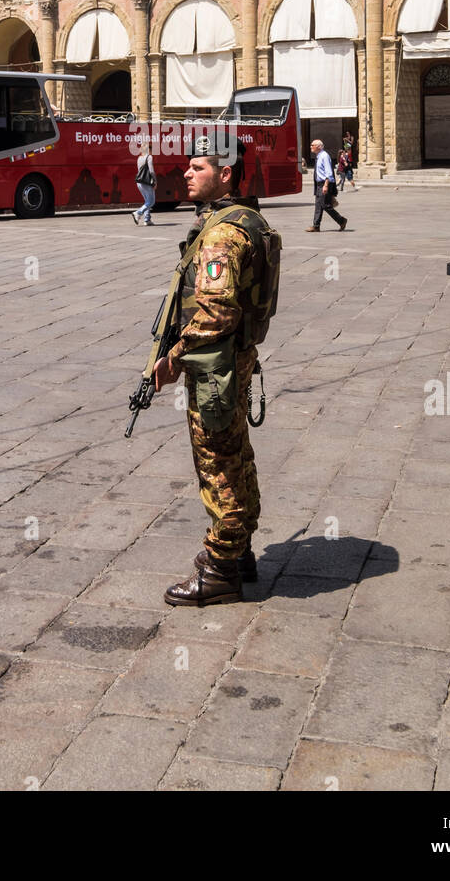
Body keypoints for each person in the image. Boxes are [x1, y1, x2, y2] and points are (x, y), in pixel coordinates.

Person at [152, 137, 280, 607]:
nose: (187, 173)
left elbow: (216, 313)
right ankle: (241, 549)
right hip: (237, 358)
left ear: (226, 175)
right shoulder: (249, 220)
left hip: (215, 366)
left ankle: (220, 568)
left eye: (198, 167)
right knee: (236, 449)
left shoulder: (224, 234)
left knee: (216, 460)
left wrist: (175, 356)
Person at [305, 138, 347, 232]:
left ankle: (341, 220)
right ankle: (316, 226)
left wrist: (326, 185)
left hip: (324, 183)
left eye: (313, 145)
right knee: (318, 205)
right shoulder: (319, 156)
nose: (311, 146)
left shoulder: (324, 156)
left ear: (319, 147)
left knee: (325, 205)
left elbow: (329, 172)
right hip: (319, 184)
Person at [132, 140, 156, 226]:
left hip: (139, 182)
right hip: (147, 182)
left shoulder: (139, 158)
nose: (152, 150)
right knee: (151, 201)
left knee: (147, 201)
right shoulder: (149, 157)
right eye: (151, 148)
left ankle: (147, 219)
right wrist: (155, 181)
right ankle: (138, 213)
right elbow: (151, 171)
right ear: (148, 149)